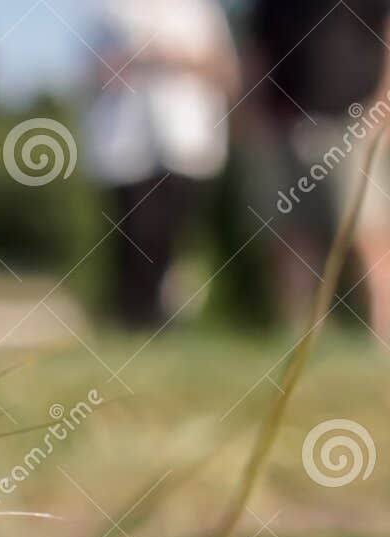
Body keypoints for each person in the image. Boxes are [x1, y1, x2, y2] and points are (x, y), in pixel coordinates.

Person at [83, 0, 241, 330]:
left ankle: (162, 317)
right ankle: (132, 318)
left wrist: (176, 59)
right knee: (134, 232)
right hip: (124, 144)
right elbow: (88, 72)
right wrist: (136, 60)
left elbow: (227, 72)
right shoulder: (110, 10)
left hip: (186, 142)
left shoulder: (199, 10)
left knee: (171, 234)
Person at [246, 0, 390, 336]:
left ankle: (383, 335)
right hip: (285, 128)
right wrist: (254, 115)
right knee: (292, 235)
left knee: (367, 234)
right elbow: (256, 54)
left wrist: (380, 112)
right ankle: (299, 334)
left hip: (355, 126)